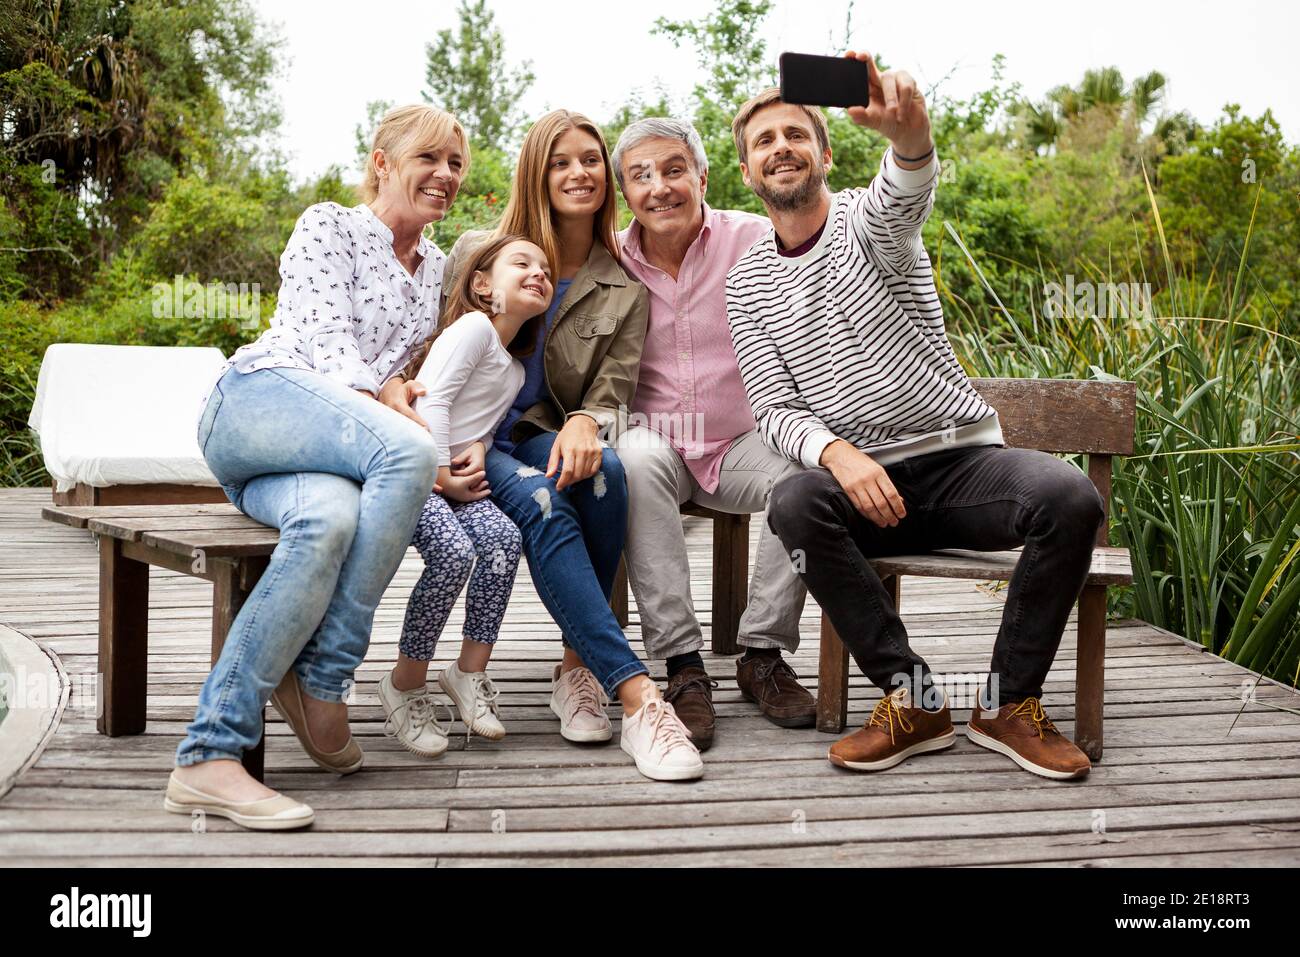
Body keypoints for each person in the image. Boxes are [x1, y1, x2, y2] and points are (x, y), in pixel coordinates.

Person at [726, 54, 1104, 780]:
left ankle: (1007, 703)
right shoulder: (747, 284)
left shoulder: (868, 229)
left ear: (825, 153)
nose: (780, 148)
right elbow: (772, 407)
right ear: (747, 171)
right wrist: (838, 454)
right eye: (764, 141)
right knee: (795, 500)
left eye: (795, 135)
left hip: (962, 467)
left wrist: (911, 139)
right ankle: (911, 696)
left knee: (1068, 496)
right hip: (866, 485)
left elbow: (904, 194)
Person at [165, 105, 469, 830]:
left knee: (329, 522)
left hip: (322, 451)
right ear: (382, 162)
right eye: (429, 157)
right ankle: (326, 674)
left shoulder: (433, 269)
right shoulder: (328, 224)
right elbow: (331, 348)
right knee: (409, 448)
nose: (447, 175)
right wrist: (387, 400)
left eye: (457, 163)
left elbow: (393, 372)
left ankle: (208, 754)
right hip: (254, 406)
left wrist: (394, 389)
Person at [388, 110, 703, 781]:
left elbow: (613, 388)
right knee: (546, 504)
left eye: (590, 159)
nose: (578, 172)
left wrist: (590, 420)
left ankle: (575, 670)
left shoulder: (624, 287)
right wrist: (408, 409)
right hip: (470, 444)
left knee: (604, 472)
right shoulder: (483, 250)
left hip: (541, 436)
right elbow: (423, 348)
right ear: (537, 171)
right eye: (559, 161)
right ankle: (637, 692)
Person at [610, 117, 814, 750]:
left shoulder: (756, 238)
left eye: (674, 170)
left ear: (703, 175)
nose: (660, 187)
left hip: (744, 440)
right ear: (625, 192)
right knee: (635, 458)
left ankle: (762, 653)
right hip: (662, 442)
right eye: (641, 176)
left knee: (812, 475)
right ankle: (682, 666)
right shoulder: (611, 259)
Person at [378, 236, 555, 756]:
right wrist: (440, 475)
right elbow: (432, 400)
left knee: (502, 541)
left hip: (453, 479)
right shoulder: (474, 328)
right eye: (521, 263)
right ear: (482, 284)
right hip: (413, 471)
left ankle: (467, 674)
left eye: (545, 269)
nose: (538, 273)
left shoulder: (516, 369)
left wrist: (477, 447)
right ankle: (405, 683)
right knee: (455, 553)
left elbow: (481, 423)